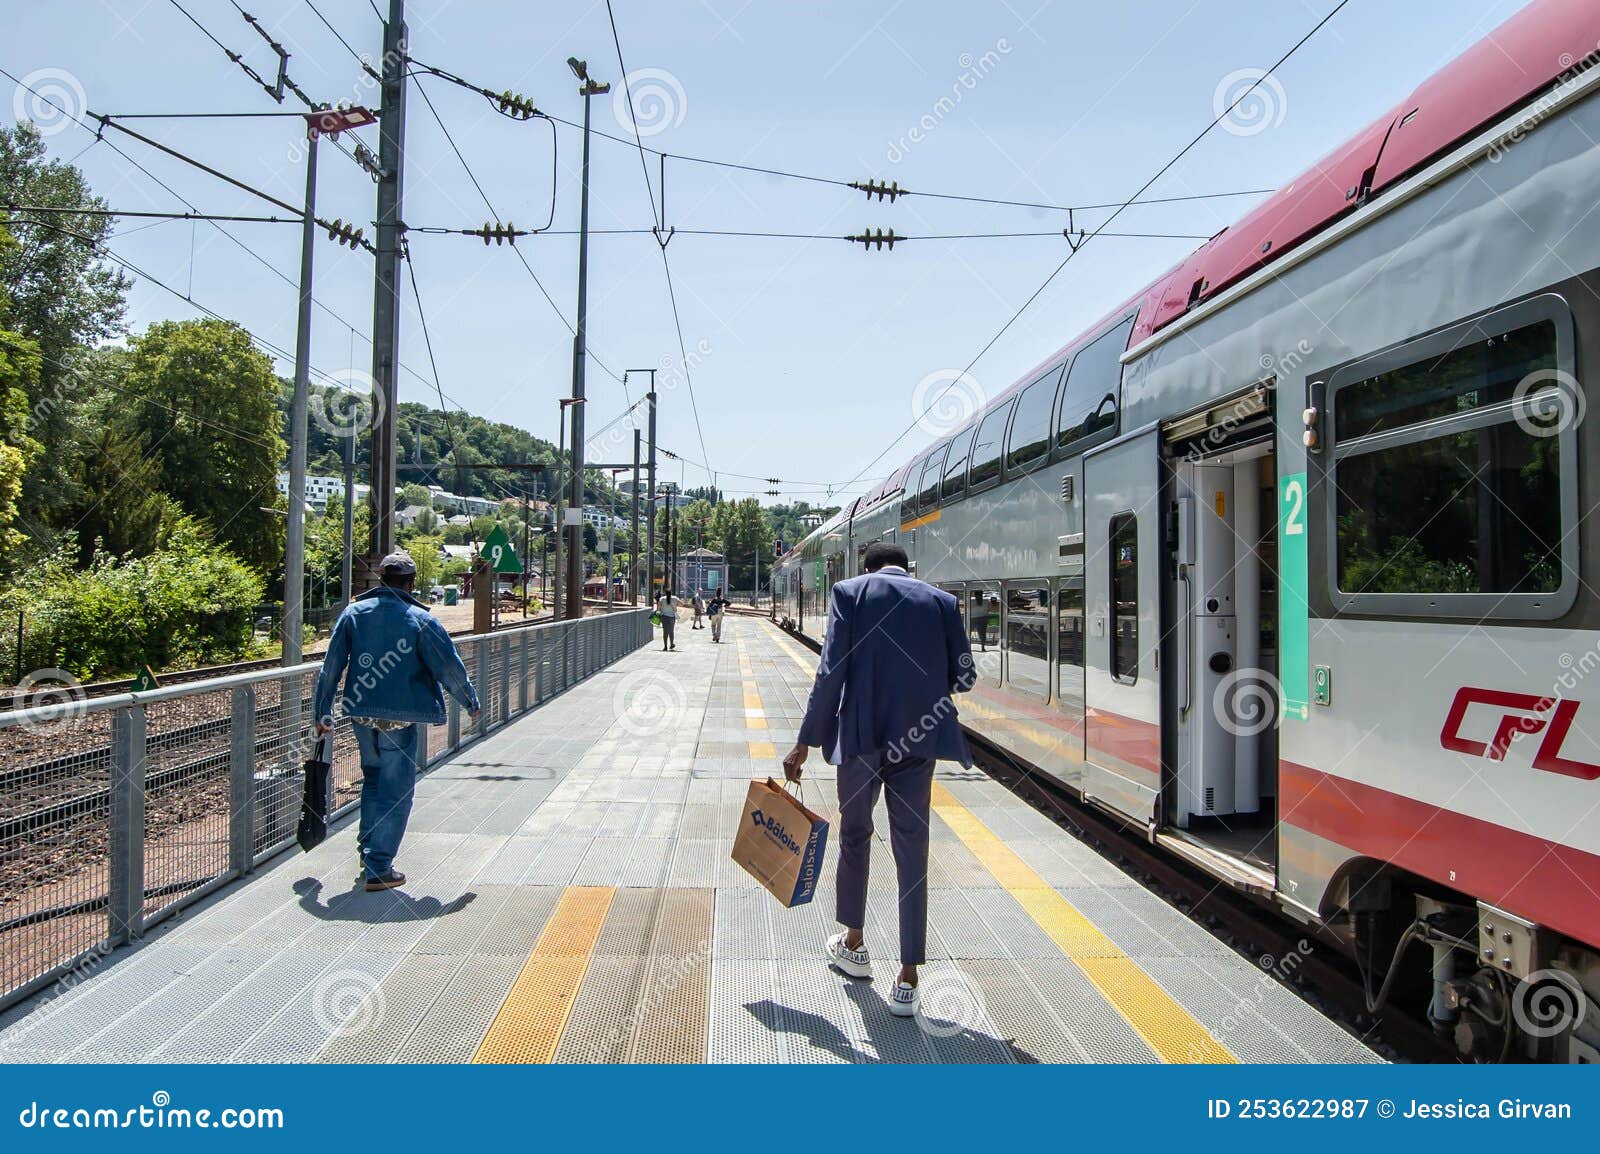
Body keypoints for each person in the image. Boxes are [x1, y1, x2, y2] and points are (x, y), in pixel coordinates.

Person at [783, 542, 974, 1017]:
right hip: (919, 741)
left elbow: (831, 674)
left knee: (855, 836)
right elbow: (965, 677)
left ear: (867, 568)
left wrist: (805, 741)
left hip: (862, 740)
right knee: (912, 849)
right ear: (908, 569)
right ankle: (908, 977)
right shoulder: (942, 602)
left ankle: (854, 943)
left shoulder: (849, 593)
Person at [313, 551, 480, 891]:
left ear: (381, 579)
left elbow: (330, 667)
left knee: (373, 780)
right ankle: (378, 867)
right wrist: (471, 703)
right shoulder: (421, 620)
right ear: (411, 582)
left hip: (361, 712)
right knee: (397, 791)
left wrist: (322, 711)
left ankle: (368, 850)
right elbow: (446, 667)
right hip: (401, 720)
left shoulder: (353, 613)